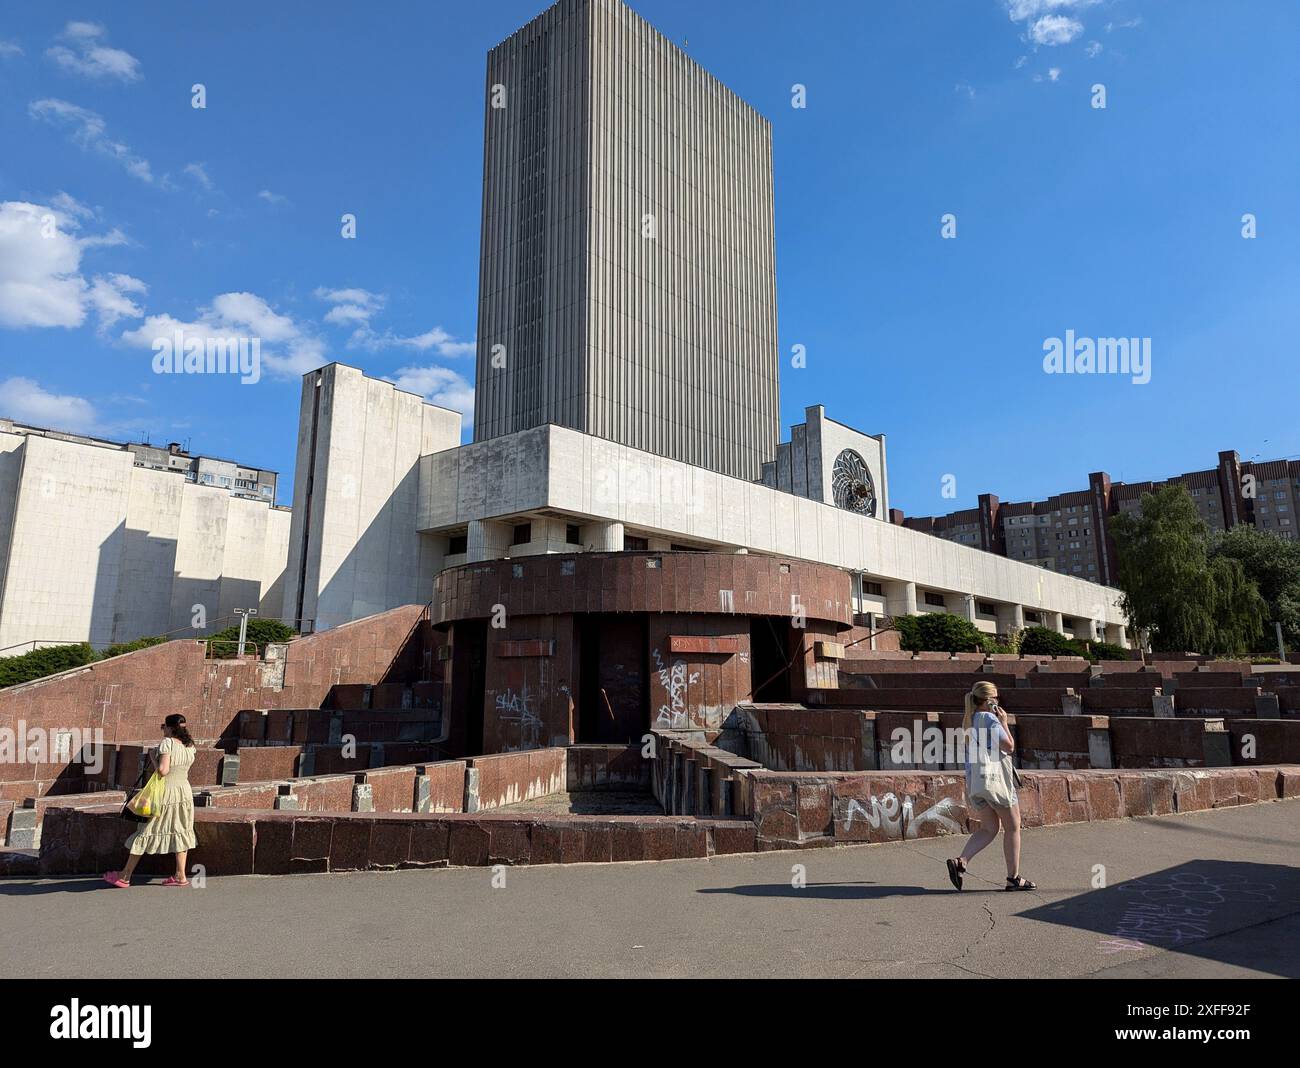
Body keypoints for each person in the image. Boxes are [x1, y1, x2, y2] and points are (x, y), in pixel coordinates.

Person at [946, 681, 1036, 892]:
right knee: (1013, 827)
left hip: (976, 782)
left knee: (990, 828)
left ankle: (961, 861)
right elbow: (1009, 746)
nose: (998, 701)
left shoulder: (969, 719)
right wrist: (1004, 722)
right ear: (988, 701)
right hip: (995, 781)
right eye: (995, 698)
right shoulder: (989, 718)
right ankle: (1013, 878)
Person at [104, 714, 198, 887]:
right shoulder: (190, 746)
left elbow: (163, 771)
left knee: (145, 831)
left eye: (164, 726)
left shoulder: (167, 743)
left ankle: (125, 876)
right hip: (184, 792)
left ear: (170, 728)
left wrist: (154, 759)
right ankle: (180, 875)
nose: (163, 730)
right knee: (181, 830)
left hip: (166, 793)